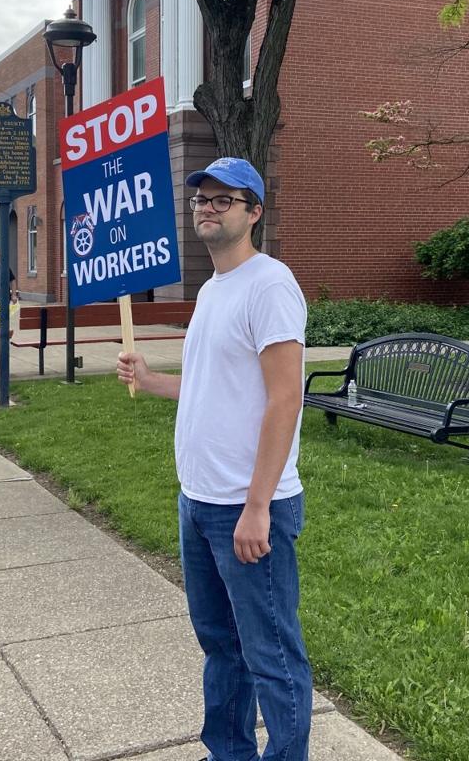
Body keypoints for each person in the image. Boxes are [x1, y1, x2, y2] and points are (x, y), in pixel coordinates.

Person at [117, 158, 311, 761]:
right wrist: (153, 382)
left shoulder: (271, 284)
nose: (207, 206)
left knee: (272, 656)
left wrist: (257, 507)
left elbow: (286, 398)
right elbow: (213, 384)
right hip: (197, 501)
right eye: (202, 197)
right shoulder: (213, 289)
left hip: (247, 508)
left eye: (224, 199)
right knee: (222, 646)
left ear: (254, 212)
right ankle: (228, 752)